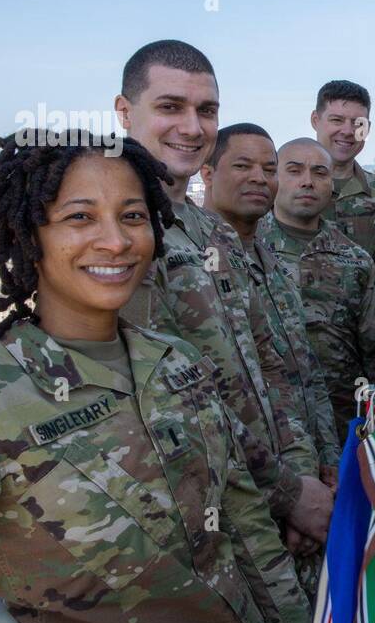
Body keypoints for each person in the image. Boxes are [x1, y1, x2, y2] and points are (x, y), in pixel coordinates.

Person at [0, 133, 329, 623]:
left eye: (133, 216)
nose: (115, 241)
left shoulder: (176, 362)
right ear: (28, 233)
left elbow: (248, 533)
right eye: (80, 217)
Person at [112, 40, 328, 518]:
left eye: (206, 110)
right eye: (170, 107)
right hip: (199, 505)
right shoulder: (114, 234)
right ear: (124, 112)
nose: (192, 127)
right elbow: (168, 401)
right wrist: (288, 494)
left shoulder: (215, 232)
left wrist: (300, 472)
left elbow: (275, 367)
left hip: (272, 497)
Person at [201, 122, 340, 485]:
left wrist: (328, 458)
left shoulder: (272, 263)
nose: (259, 178)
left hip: (305, 471)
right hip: (245, 482)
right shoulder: (192, 262)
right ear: (208, 173)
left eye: (267, 169)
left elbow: (307, 374)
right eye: (242, 166)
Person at [259, 138, 375, 437]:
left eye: (320, 172)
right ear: (274, 178)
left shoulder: (356, 261)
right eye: (294, 171)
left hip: (345, 427)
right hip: (269, 433)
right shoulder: (245, 252)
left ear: (331, 184)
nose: (307, 181)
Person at [309, 79, 375, 293]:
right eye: (337, 120)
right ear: (315, 120)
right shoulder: (281, 189)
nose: (348, 131)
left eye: (358, 124)